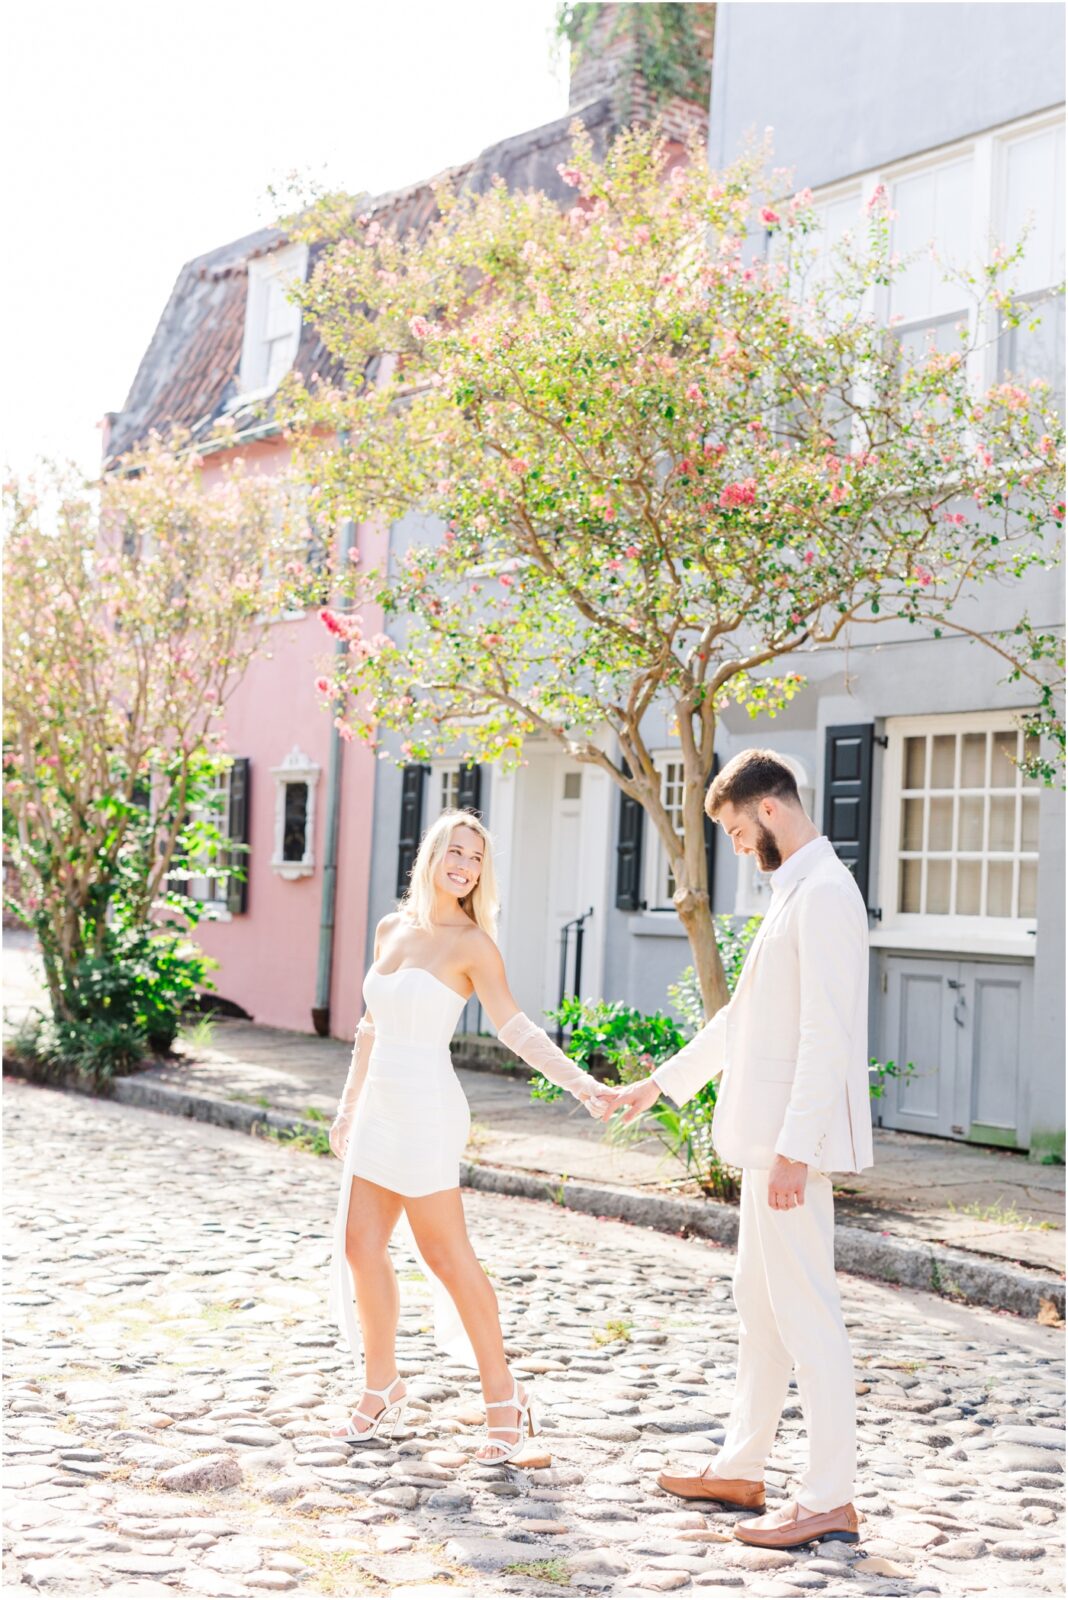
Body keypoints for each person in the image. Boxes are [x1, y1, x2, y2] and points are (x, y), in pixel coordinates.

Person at [600, 749, 873, 1550]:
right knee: (759, 1311)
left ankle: (829, 1496)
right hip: (765, 1146)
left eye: (734, 827)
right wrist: (657, 1086)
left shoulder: (824, 896)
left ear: (772, 811)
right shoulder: (794, 892)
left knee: (808, 1318)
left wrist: (796, 1149)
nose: (735, 844)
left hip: (788, 1149)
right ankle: (741, 1466)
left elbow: (827, 1035)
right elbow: (744, 1022)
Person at [327, 808, 609, 1466]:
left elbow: (515, 1028)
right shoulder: (391, 929)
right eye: (455, 852)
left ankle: (504, 1399)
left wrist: (582, 1085)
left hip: (427, 1110)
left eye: (476, 858)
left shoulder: (474, 945)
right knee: (360, 1247)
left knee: (447, 1256)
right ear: (431, 855)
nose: (464, 865)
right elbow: (370, 1026)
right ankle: (383, 1382)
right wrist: (347, 1108)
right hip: (379, 1110)